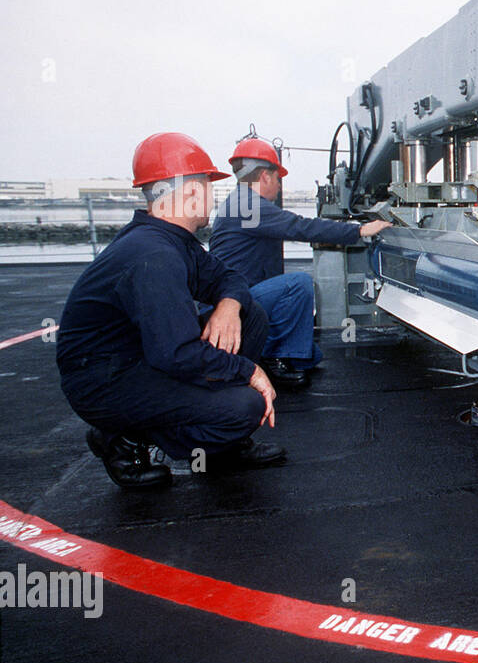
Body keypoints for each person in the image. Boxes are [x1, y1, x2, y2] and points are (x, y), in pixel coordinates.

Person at [57, 132, 285, 489]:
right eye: (209, 186)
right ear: (193, 191)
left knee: (249, 314)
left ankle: (219, 450)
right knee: (245, 406)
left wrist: (228, 304)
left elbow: (229, 277)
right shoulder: (154, 255)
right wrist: (249, 371)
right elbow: (176, 354)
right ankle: (122, 438)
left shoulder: (173, 240)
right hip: (105, 380)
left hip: (141, 357)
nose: (211, 196)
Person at [209, 137, 391, 388]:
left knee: (310, 356)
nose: (279, 188)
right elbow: (301, 227)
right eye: (278, 179)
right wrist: (360, 231)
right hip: (238, 301)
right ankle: (276, 357)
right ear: (265, 177)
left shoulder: (238, 202)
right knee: (298, 283)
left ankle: (274, 353)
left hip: (240, 295)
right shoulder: (248, 206)